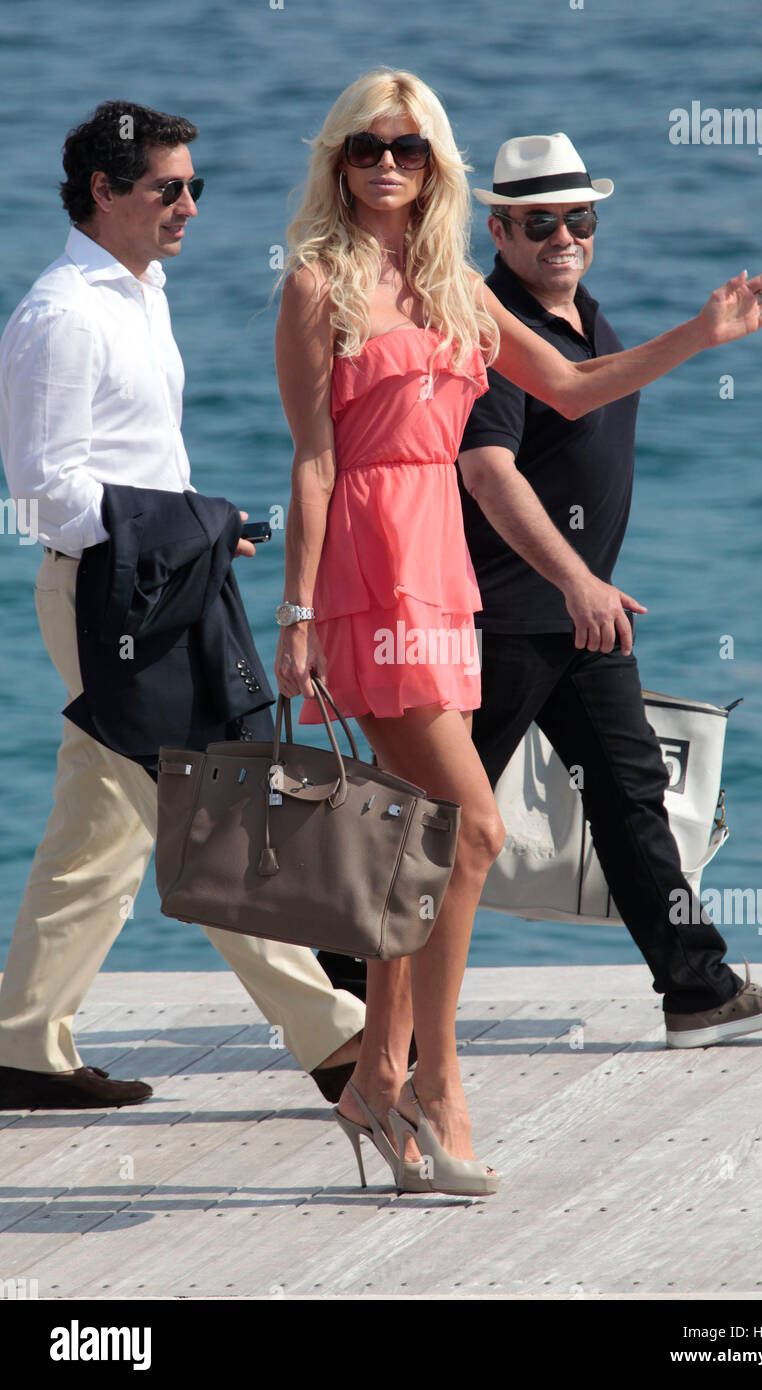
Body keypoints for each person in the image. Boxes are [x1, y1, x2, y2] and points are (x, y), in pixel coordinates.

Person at [274, 70, 762, 1196]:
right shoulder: (318, 286)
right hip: (372, 572)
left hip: (446, 578)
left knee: (418, 839)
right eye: (366, 146)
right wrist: (299, 610)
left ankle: (379, 1076)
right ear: (338, 161)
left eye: (407, 149)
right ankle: (435, 1081)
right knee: (465, 830)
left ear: (435, 165)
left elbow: (570, 383)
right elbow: (314, 459)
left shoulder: (458, 289)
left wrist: (700, 336)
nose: (385, 165)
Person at [0, 101, 365, 1112]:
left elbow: (132, 463)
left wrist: (211, 528)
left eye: (195, 186)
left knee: (98, 831)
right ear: (105, 194)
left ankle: (24, 1045)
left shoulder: (139, 289)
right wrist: (184, 528)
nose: (191, 206)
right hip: (109, 601)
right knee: (211, 818)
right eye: (169, 188)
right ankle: (338, 1043)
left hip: (163, 586)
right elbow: (43, 492)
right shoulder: (62, 318)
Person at [454, 132, 762, 1046]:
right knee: (435, 821)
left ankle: (696, 989)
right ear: (498, 231)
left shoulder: (585, 317)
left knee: (630, 797)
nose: (563, 237)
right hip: (504, 618)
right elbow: (485, 471)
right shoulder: (497, 329)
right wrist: (577, 576)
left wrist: (588, 588)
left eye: (578, 218)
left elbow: (586, 400)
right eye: (539, 223)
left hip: (583, 615)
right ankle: (347, 993)